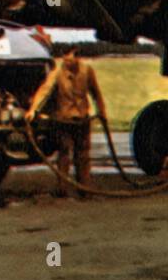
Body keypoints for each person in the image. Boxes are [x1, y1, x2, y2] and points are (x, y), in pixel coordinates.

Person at [28, 47, 108, 198]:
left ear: (77, 57)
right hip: (63, 120)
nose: (66, 60)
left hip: (82, 119)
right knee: (64, 153)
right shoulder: (57, 73)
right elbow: (44, 90)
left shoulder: (87, 71)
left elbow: (96, 93)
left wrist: (102, 111)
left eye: (69, 57)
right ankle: (62, 189)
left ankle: (85, 189)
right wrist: (33, 109)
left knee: (83, 155)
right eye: (64, 57)